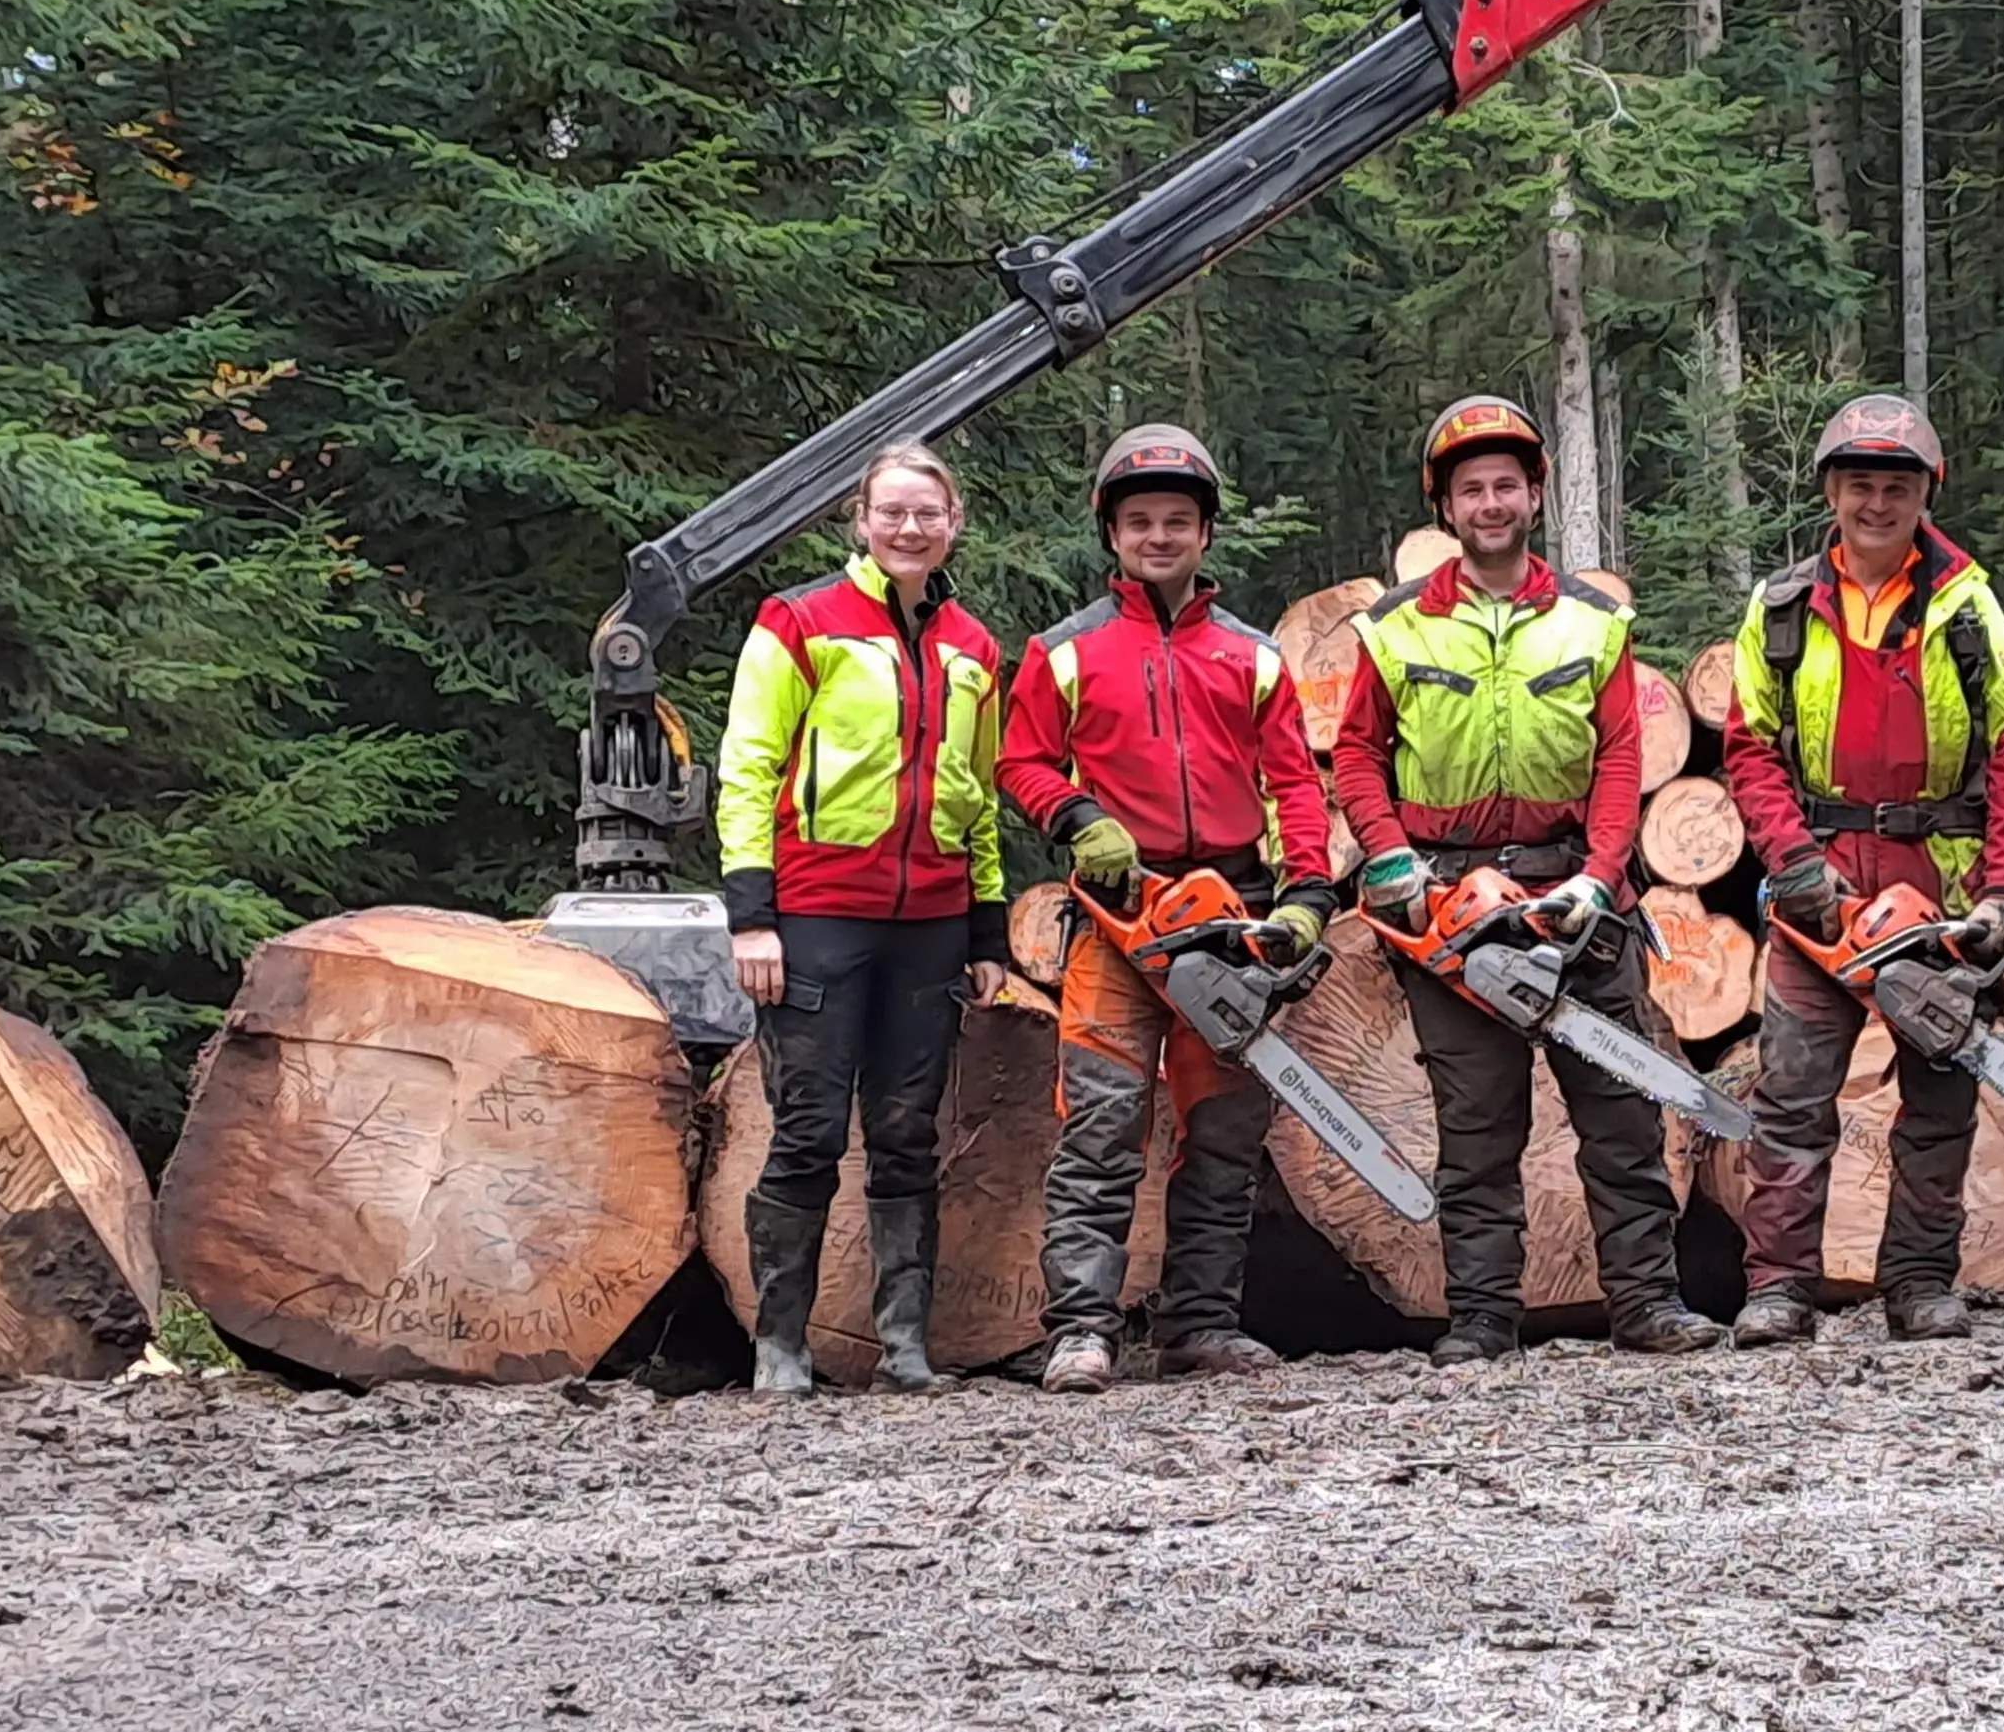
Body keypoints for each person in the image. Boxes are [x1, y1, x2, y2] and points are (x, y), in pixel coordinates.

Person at [1331, 395, 1725, 1366]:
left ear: (1535, 494)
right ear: (1446, 506)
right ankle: (1481, 1319)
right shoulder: (1394, 629)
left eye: (1507, 483)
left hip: (1570, 891)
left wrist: (1598, 876)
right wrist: (1391, 860)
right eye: (1473, 488)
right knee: (1476, 1125)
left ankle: (1646, 1302)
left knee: (1621, 1114)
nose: (1492, 502)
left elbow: (1623, 758)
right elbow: (1354, 753)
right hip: (1452, 895)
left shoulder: (1594, 622)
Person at [998, 426, 1339, 1395]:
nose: (1159, 536)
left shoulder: (1255, 656)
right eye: (1140, 520)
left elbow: (1295, 784)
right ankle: (1081, 1328)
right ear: (1112, 530)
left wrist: (1309, 893)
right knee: (1101, 1126)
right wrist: (1076, 817)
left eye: (1177, 521)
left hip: (1230, 911)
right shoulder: (1064, 652)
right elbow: (1020, 758)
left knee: (1225, 1131)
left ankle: (1200, 1324)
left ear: (1205, 533)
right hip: (1116, 917)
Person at [1720, 394, 2004, 1345]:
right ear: (1831, 490)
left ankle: (1919, 1279)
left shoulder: (1967, 604)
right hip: (1819, 868)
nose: (1875, 502)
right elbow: (1750, 749)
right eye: (1858, 482)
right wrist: (1791, 857)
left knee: (1940, 1087)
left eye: (1895, 485)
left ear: (1924, 493)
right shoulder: (1781, 608)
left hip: (1933, 861)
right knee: (1793, 1091)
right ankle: (1779, 1283)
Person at [717, 441, 1010, 1395]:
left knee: (906, 1129)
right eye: (892, 512)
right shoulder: (799, 621)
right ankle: (781, 1344)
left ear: (953, 522)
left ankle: (906, 1343)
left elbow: (981, 798)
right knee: (806, 1129)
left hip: (928, 921)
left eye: (928, 513)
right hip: (813, 918)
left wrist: (988, 931)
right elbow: (749, 768)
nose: (910, 528)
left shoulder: (973, 646)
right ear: (862, 519)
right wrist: (751, 915)